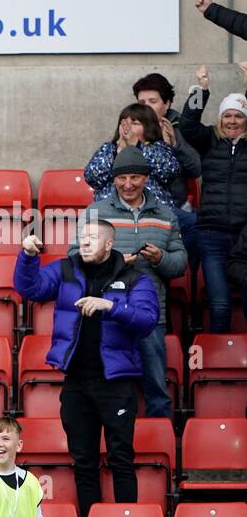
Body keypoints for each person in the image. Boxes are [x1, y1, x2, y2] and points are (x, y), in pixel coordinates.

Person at [16, 224, 158, 517]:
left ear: (109, 244)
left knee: (121, 458)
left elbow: (146, 320)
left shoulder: (134, 279)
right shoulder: (66, 270)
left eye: (93, 239)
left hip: (116, 384)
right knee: (84, 462)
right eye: (82, 238)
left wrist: (111, 306)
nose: (85, 243)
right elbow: (30, 289)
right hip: (77, 383)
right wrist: (29, 256)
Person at [79, 147, 187, 418]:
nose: (128, 184)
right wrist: (111, 259)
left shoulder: (165, 214)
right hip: (108, 314)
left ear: (146, 179)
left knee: (156, 388)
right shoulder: (95, 211)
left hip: (149, 315)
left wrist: (160, 257)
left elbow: (180, 263)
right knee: (109, 387)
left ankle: (160, 444)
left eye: (135, 178)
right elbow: (75, 257)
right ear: (114, 179)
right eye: (122, 178)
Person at [179, 79, 247, 333]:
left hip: (245, 237)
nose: (232, 121)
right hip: (212, 236)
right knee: (219, 304)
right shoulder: (209, 140)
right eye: (227, 115)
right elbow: (186, 126)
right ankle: (219, 356)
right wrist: (200, 91)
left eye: (238, 116)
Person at [132, 72, 202, 262]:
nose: (146, 108)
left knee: (198, 225)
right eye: (142, 102)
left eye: (152, 101)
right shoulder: (130, 127)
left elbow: (196, 169)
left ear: (167, 103)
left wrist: (174, 146)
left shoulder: (179, 128)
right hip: (136, 206)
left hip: (171, 206)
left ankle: (188, 273)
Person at [84, 104, 181, 208]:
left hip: (152, 213)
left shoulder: (158, 147)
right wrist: (117, 152)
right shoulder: (108, 148)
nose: (127, 127)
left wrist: (138, 146)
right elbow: (91, 177)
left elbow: (170, 171)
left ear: (148, 127)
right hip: (109, 212)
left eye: (135, 123)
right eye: (123, 123)